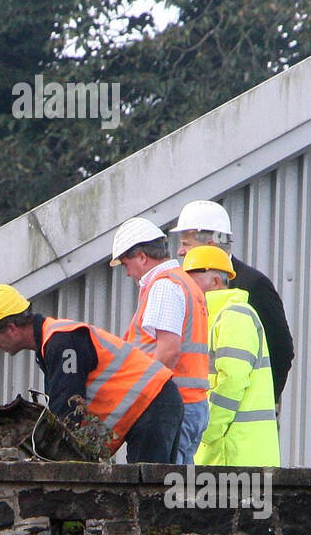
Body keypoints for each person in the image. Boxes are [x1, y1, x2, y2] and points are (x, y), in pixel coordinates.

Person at [0, 284, 182, 463]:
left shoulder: (61, 342)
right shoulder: (54, 340)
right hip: (155, 402)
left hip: (153, 404)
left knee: (150, 490)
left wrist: (48, 457)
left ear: (11, 328)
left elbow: (67, 409)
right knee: (156, 489)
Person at [110, 216, 210, 465]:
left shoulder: (164, 286)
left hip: (174, 405)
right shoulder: (183, 282)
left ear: (142, 257)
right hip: (188, 402)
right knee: (179, 488)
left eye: (126, 264)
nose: (127, 272)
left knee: (166, 491)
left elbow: (168, 352)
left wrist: (141, 398)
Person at [174, 200, 293, 405]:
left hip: (243, 416)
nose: (180, 251)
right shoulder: (188, 284)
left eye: (186, 244)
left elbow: (280, 350)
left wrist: (261, 403)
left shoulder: (254, 285)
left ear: (209, 246)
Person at [181, 246, 280, 467]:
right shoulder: (213, 319)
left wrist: (206, 432)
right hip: (227, 452)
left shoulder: (235, 315)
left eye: (191, 279)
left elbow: (232, 380)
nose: (185, 287)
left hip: (236, 454)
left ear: (215, 280)